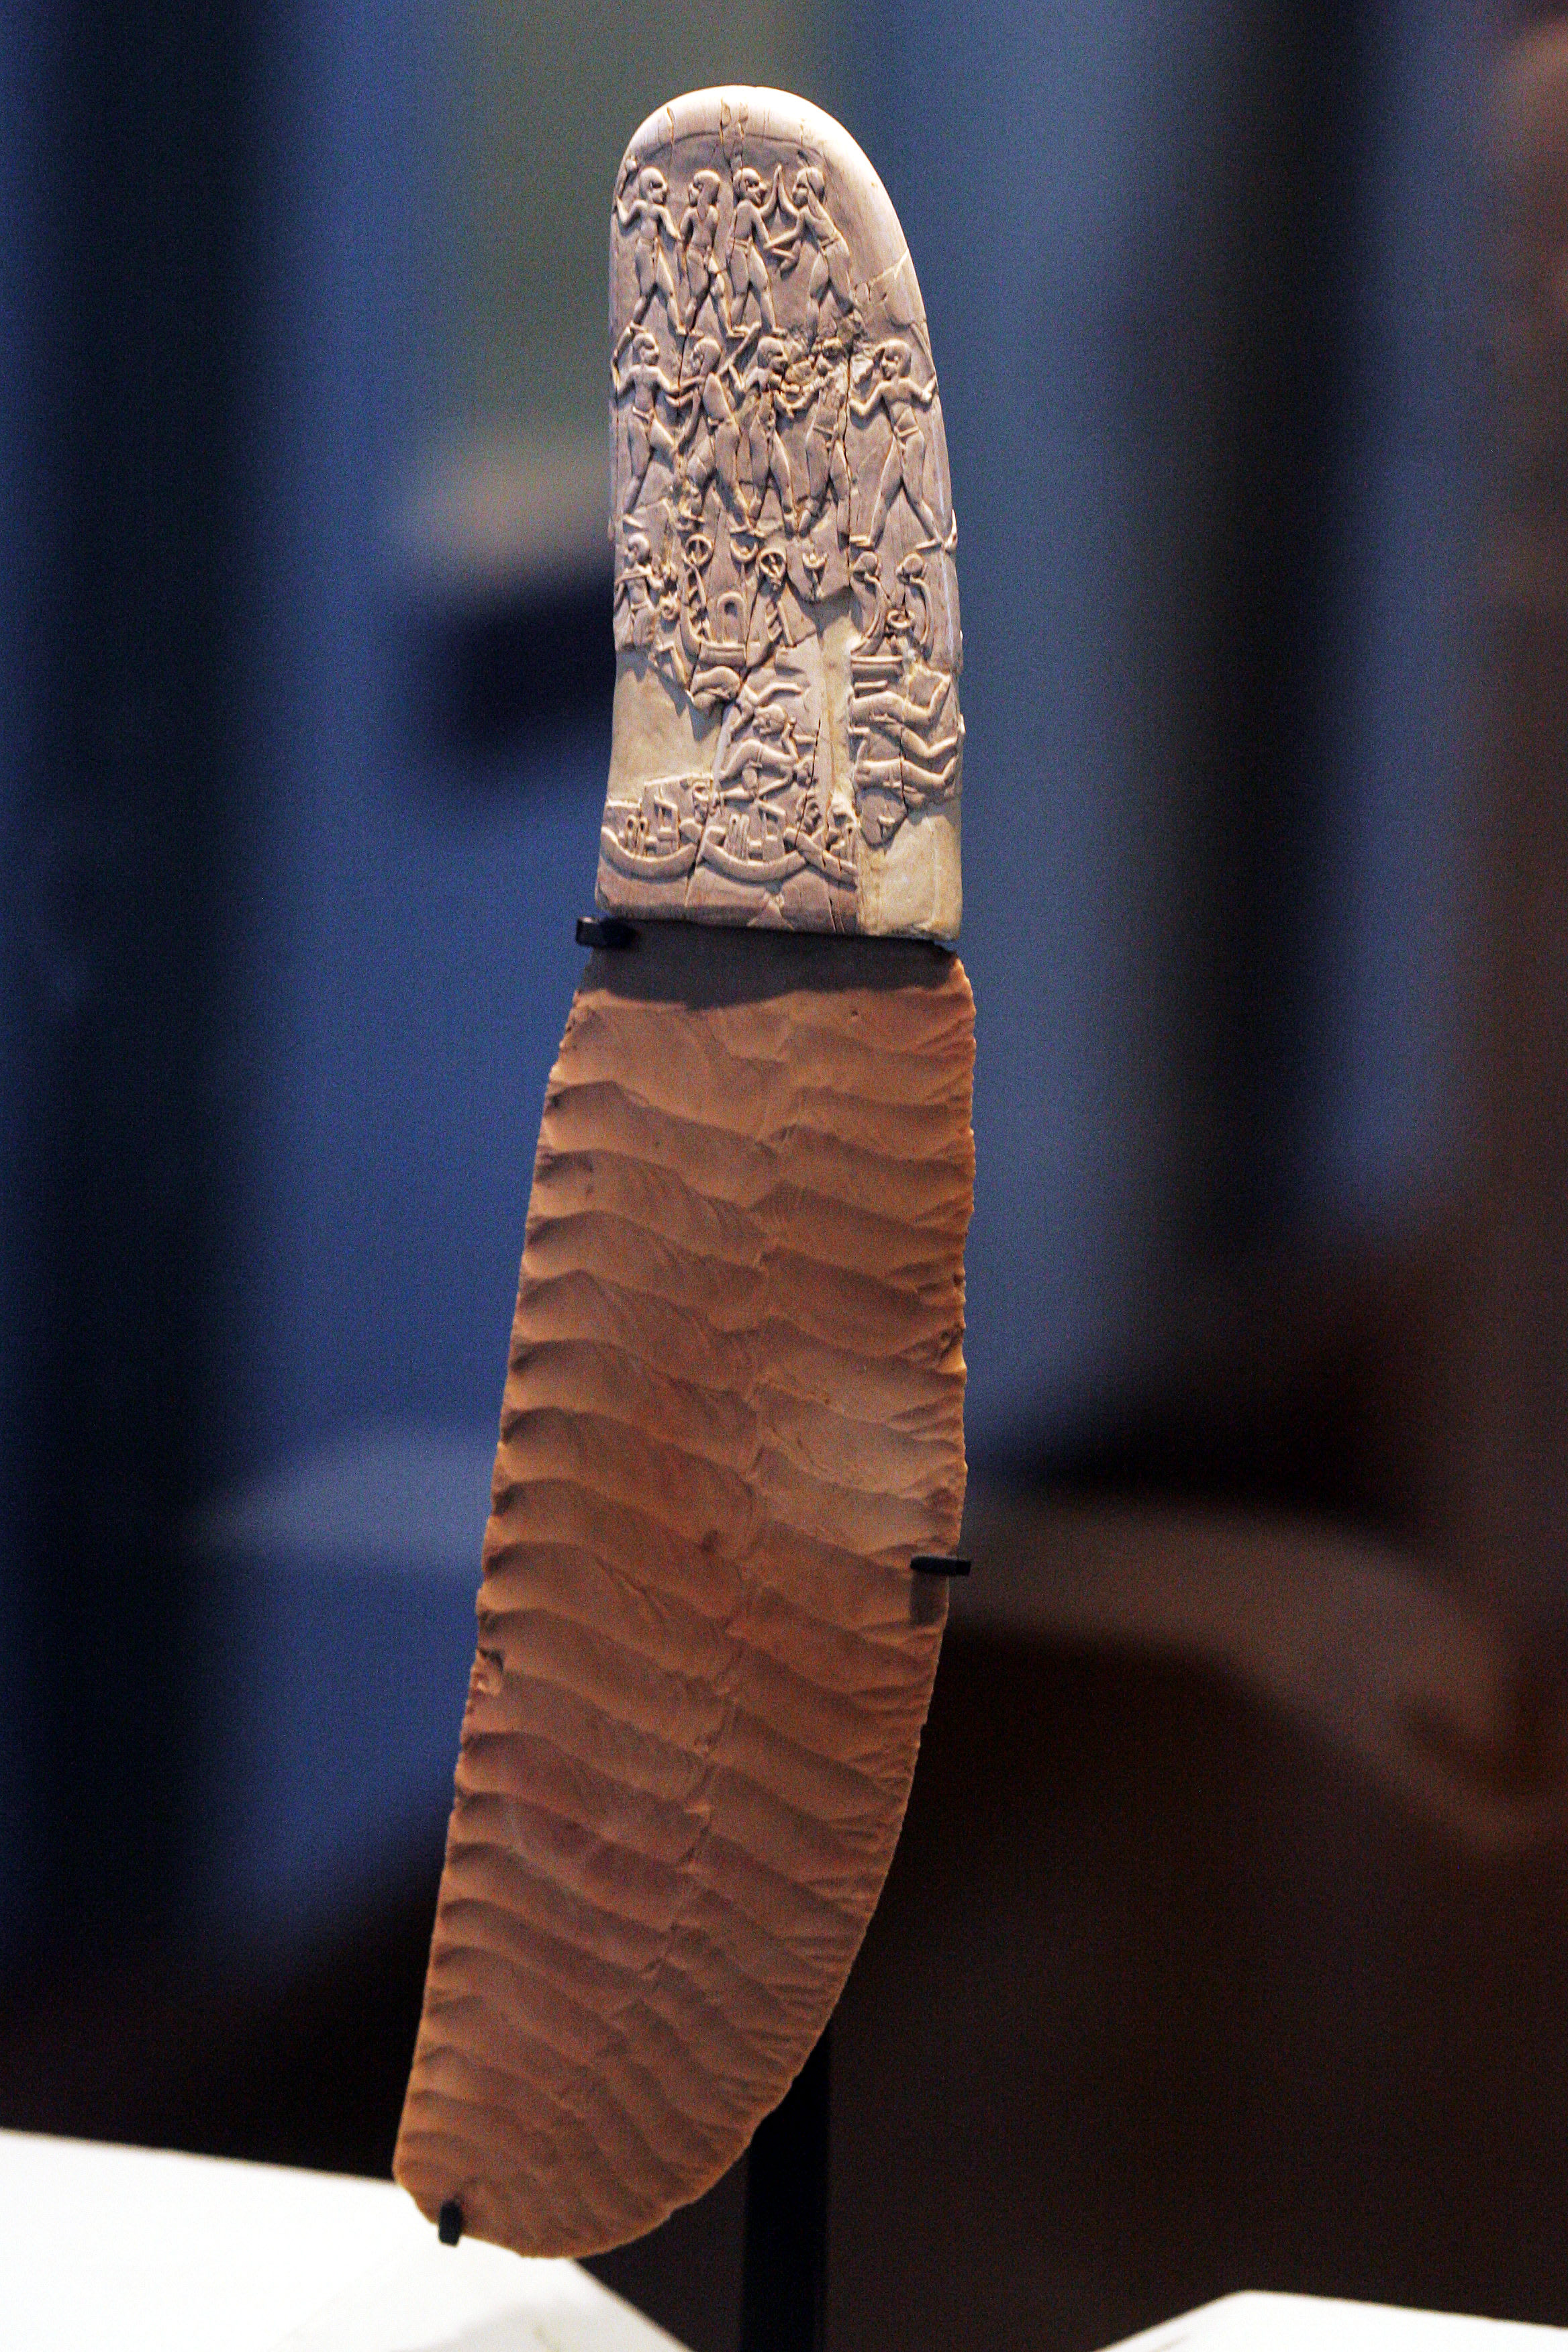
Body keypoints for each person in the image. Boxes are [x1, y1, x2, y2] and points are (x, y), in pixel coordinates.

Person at [848, 340, 954, 550]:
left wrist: (933, 382)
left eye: (887, 362)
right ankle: (872, 540)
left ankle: (937, 538)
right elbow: (864, 411)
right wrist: (851, 400)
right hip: (900, 443)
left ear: (897, 363)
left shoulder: (903, 386)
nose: (884, 367)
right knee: (885, 493)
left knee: (914, 497)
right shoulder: (884, 388)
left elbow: (925, 397)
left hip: (913, 440)